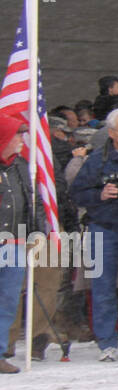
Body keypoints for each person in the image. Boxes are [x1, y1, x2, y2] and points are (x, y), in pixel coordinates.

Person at [69, 108, 118, 360]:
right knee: (102, 287)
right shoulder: (97, 159)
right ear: (111, 133)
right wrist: (99, 194)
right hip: (102, 227)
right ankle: (106, 342)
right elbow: (76, 193)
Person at [0, 115, 35, 373]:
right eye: (17, 135)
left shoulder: (21, 166)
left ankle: (0, 351)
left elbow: (31, 202)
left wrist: (36, 232)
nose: (22, 140)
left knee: (8, 300)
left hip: (15, 243)